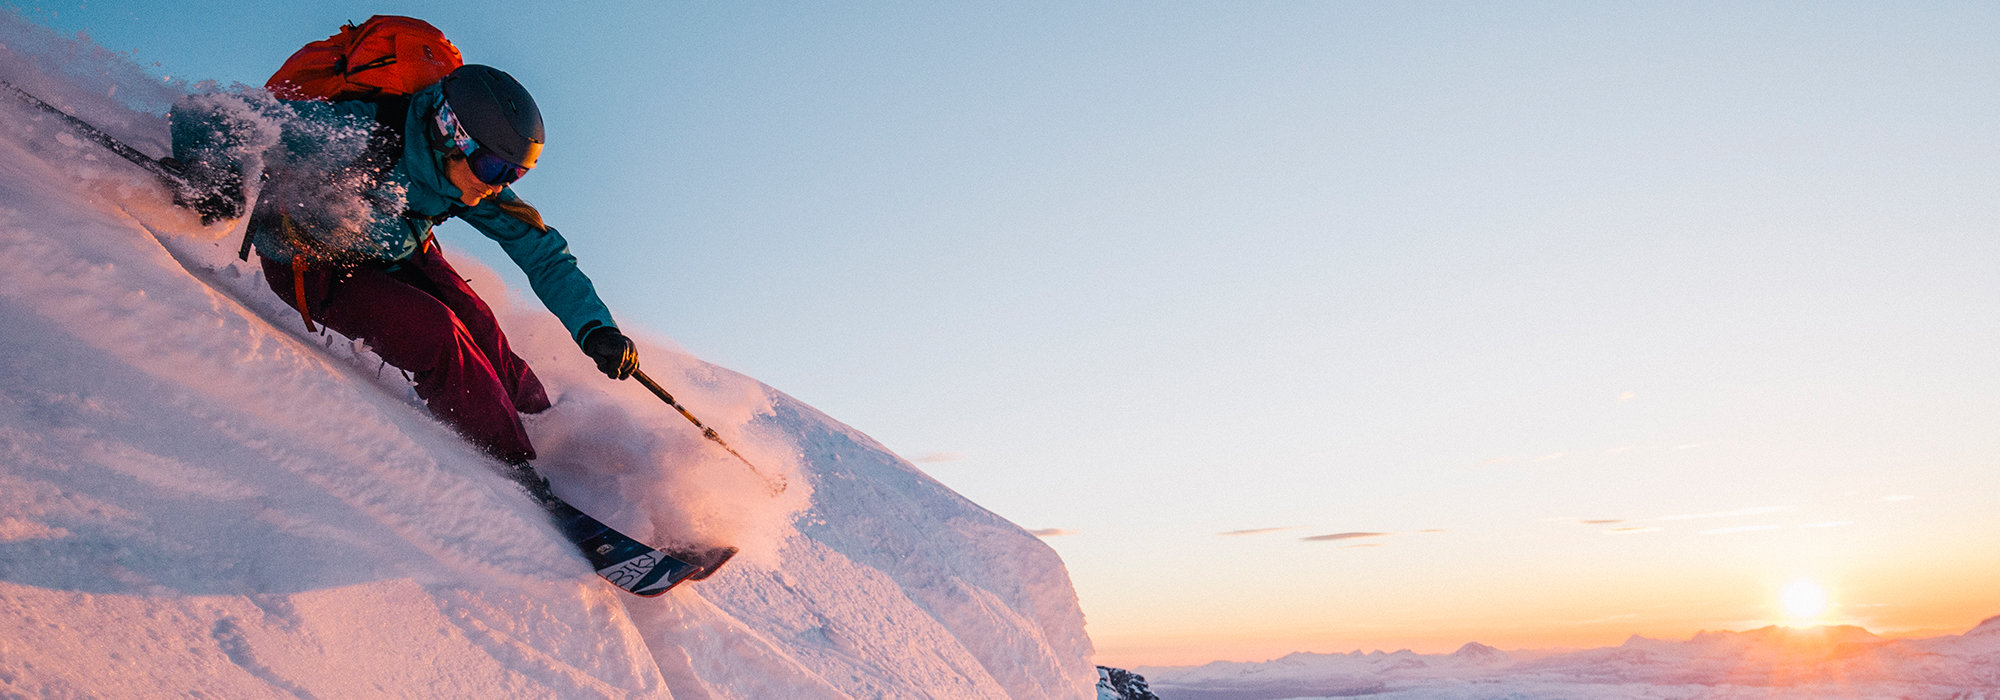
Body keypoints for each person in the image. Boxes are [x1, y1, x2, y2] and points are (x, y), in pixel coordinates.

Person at [169, 65, 636, 494]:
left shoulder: (472, 181)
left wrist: (596, 328)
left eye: (515, 173)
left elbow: (543, 253)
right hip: (310, 262)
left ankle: (544, 430)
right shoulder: (354, 135)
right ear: (452, 134)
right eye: (494, 167)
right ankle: (513, 470)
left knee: (482, 327)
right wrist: (215, 176)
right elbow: (207, 111)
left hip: (396, 249)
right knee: (437, 332)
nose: (497, 184)